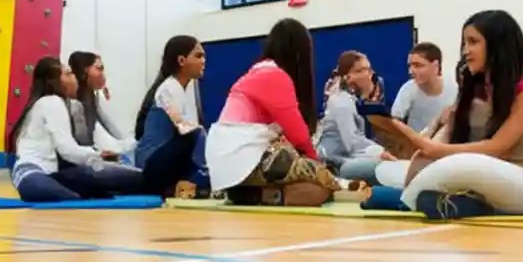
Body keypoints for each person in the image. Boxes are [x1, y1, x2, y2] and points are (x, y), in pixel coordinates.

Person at [390, 10, 523, 218]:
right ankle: (458, 204)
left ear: (497, 45)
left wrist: (436, 149)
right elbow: (447, 135)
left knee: (462, 164)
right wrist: (428, 150)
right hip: (486, 179)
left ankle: (404, 202)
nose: (466, 51)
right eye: (464, 43)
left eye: (473, 42)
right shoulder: (473, 87)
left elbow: (498, 147)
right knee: (412, 165)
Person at [206, 18, 368, 207]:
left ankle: (250, 194)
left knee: (313, 188)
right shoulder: (275, 76)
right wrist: (317, 166)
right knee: (319, 188)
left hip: (227, 160)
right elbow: (298, 134)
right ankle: (343, 186)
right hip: (244, 157)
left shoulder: (257, 71)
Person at [8, 57, 143, 201]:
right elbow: (68, 151)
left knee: (95, 182)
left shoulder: (63, 104)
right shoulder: (52, 102)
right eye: (68, 74)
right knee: (79, 192)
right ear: (54, 81)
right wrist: (98, 155)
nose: (74, 78)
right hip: (32, 176)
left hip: (50, 175)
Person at [134, 36, 212, 199]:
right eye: (198, 56)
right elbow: (184, 128)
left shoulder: (182, 89)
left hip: (164, 161)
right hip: (150, 165)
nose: (203, 60)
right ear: (182, 60)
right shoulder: (169, 88)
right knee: (197, 134)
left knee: (198, 135)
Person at [316, 51, 395, 184]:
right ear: (348, 76)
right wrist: (380, 153)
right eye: (363, 70)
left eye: (369, 69)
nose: (370, 74)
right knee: (387, 167)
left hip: (347, 160)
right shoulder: (341, 101)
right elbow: (352, 143)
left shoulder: (352, 100)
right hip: (335, 165)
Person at [67, 51, 135, 155]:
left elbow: (106, 123)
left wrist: (128, 142)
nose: (103, 75)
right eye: (99, 69)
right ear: (85, 70)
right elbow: (81, 140)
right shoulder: (75, 103)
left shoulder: (92, 97)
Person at [390, 42, 457, 134]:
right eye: (410, 66)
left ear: (435, 66)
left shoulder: (454, 87)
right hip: (417, 143)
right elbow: (395, 121)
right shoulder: (408, 89)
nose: (411, 71)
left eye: (418, 65)